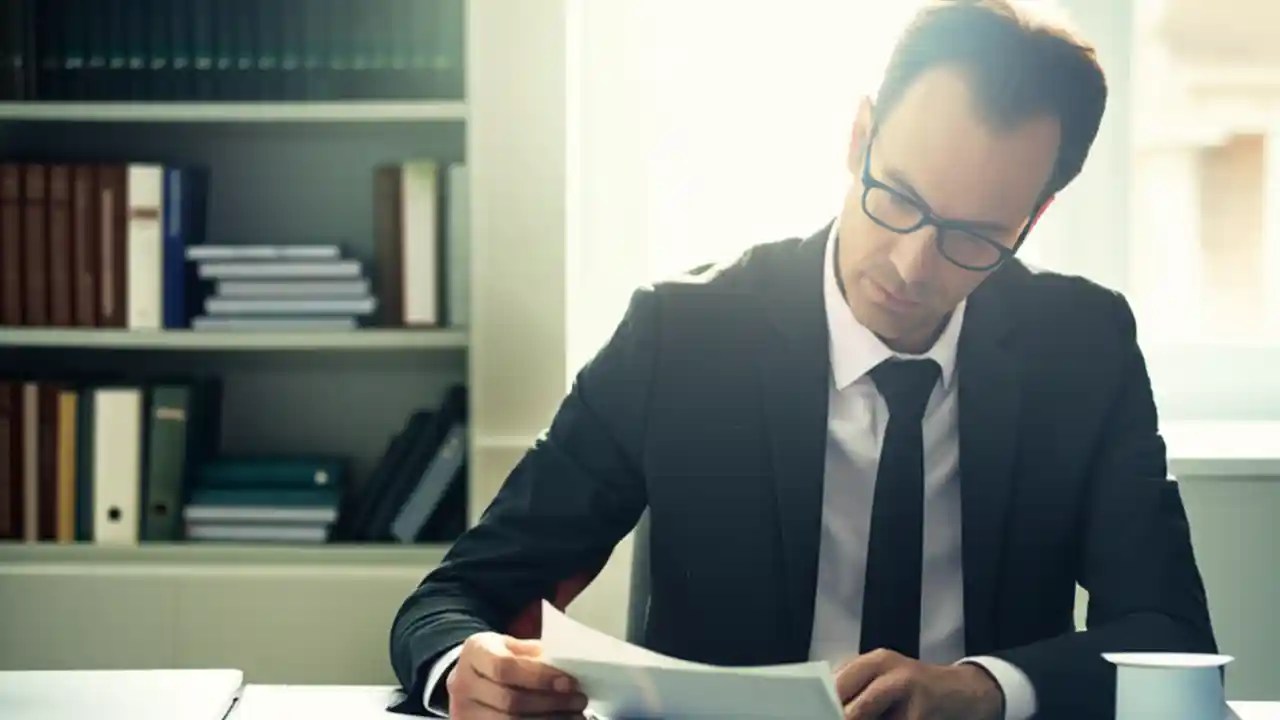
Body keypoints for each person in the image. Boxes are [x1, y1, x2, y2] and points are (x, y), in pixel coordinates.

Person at [389, 1, 1218, 718]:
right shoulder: (682, 336)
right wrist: (467, 669)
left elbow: (1169, 635)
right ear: (860, 136)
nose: (911, 265)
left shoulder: (1082, 347)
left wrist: (985, 689)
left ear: (1032, 219)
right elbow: (453, 600)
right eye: (898, 197)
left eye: (975, 237)